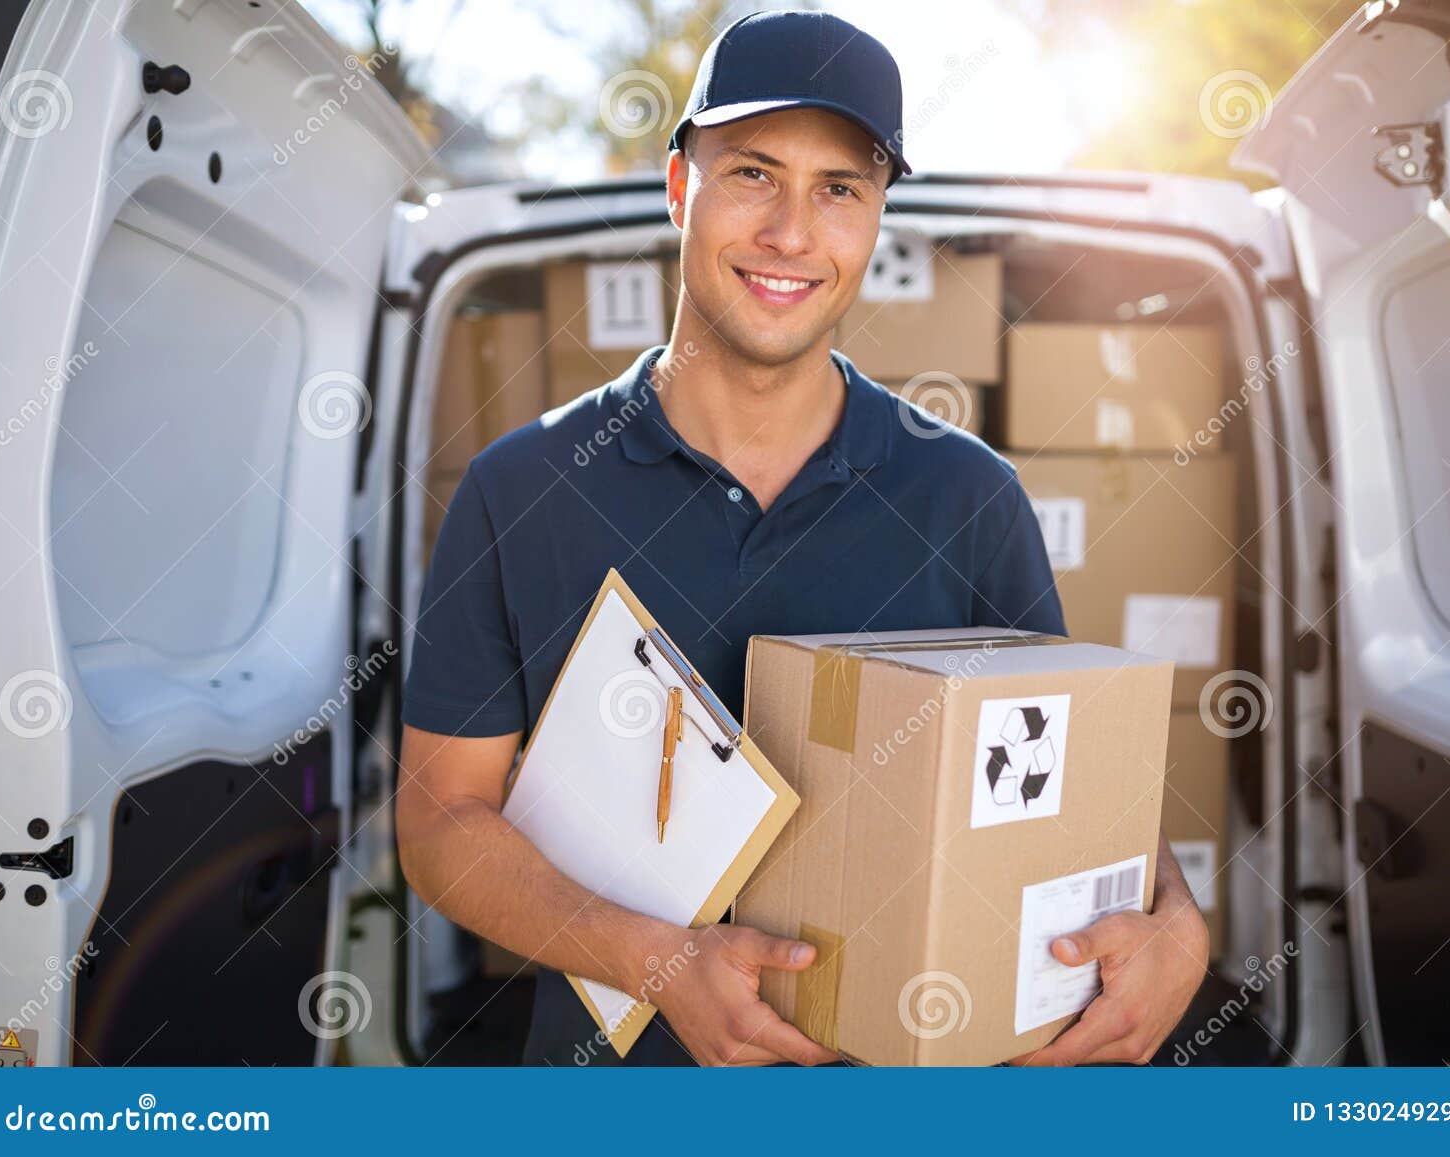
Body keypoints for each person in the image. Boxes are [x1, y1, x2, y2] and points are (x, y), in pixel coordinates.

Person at [396, 9, 1208, 1067]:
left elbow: (1058, 777)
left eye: (840, 190)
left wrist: (1179, 923)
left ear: (875, 221)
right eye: (752, 174)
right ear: (681, 186)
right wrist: (657, 961)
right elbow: (440, 824)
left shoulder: (966, 494)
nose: (791, 232)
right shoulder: (526, 487)